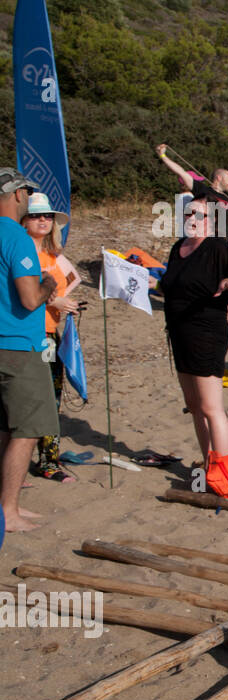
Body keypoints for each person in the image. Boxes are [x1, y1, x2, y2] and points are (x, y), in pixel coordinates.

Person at [159, 196, 228, 463]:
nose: (192, 220)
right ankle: (208, 462)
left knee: (211, 407)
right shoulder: (178, 247)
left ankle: (223, 470)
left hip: (207, 334)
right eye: (188, 214)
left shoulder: (218, 249)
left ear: (211, 221)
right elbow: (170, 285)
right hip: (179, 333)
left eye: (198, 215)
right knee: (194, 406)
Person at [0, 169, 57, 531]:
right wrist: (48, 282)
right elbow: (29, 297)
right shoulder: (16, 238)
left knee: (5, 426)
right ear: (19, 194)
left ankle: (4, 507)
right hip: (19, 345)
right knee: (27, 429)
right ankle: (8, 511)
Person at [23, 193, 81, 483]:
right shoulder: (18, 251)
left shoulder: (54, 254)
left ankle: (48, 460)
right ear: (23, 220)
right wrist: (53, 302)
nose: (43, 220)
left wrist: (65, 301)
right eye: (36, 215)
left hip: (50, 333)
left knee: (51, 396)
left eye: (48, 216)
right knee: (27, 399)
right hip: (24, 333)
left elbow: (73, 278)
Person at [154, 144, 228, 241]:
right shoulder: (202, 190)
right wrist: (163, 156)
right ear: (219, 178)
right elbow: (181, 172)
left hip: (223, 244)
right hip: (204, 243)